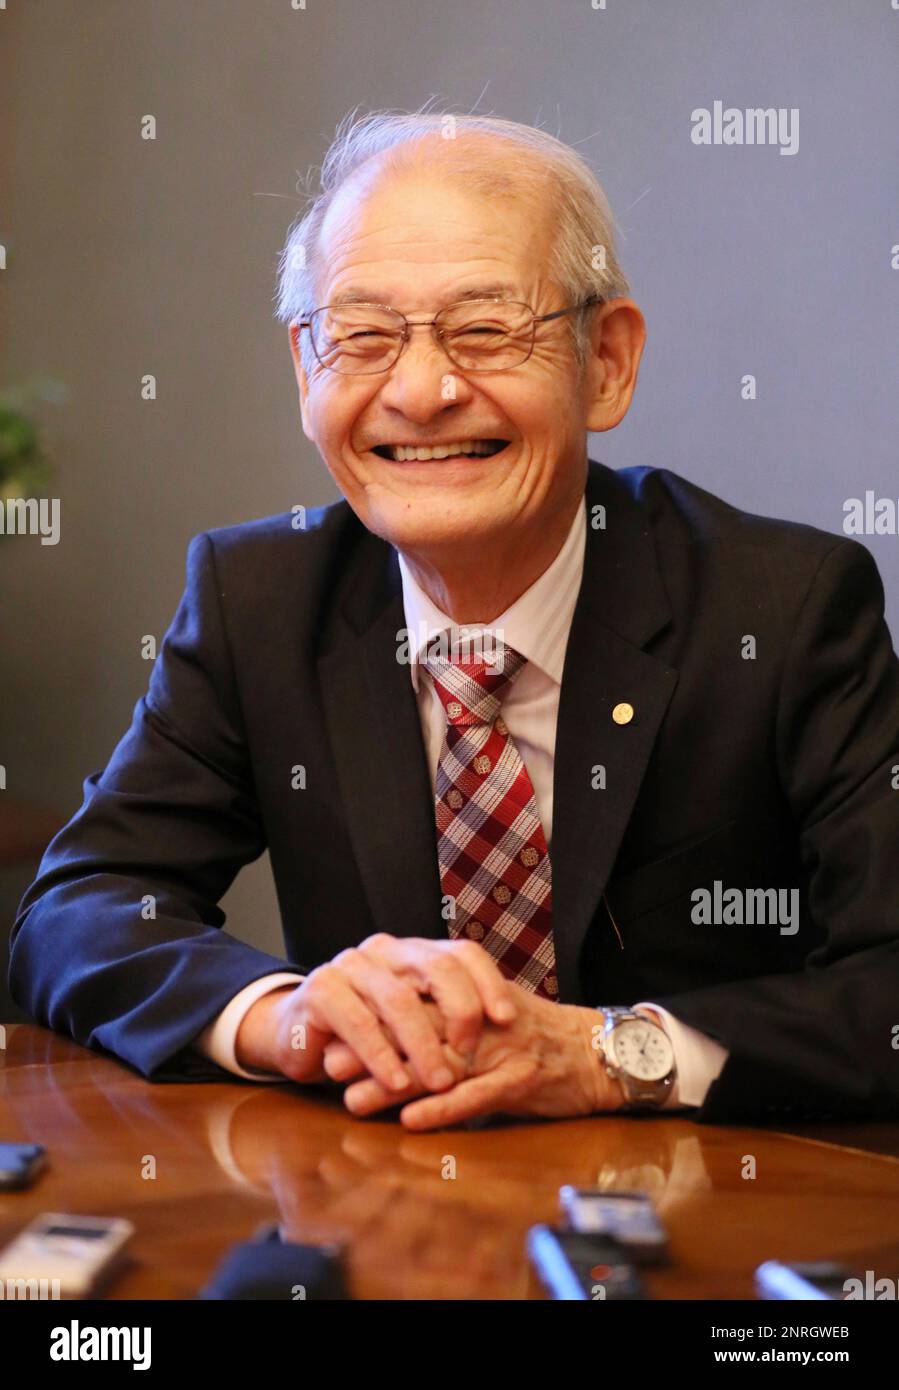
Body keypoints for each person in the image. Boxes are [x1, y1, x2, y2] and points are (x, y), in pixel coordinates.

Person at [10, 110, 899, 1130]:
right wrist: (288, 1015)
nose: (422, 391)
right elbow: (80, 909)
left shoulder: (778, 606)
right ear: (307, 370)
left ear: (603, 361)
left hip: (707, 1223)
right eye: (362, 335)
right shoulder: (258, 600)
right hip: (388, 1224)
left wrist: (610, 1052)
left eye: (484, 328)